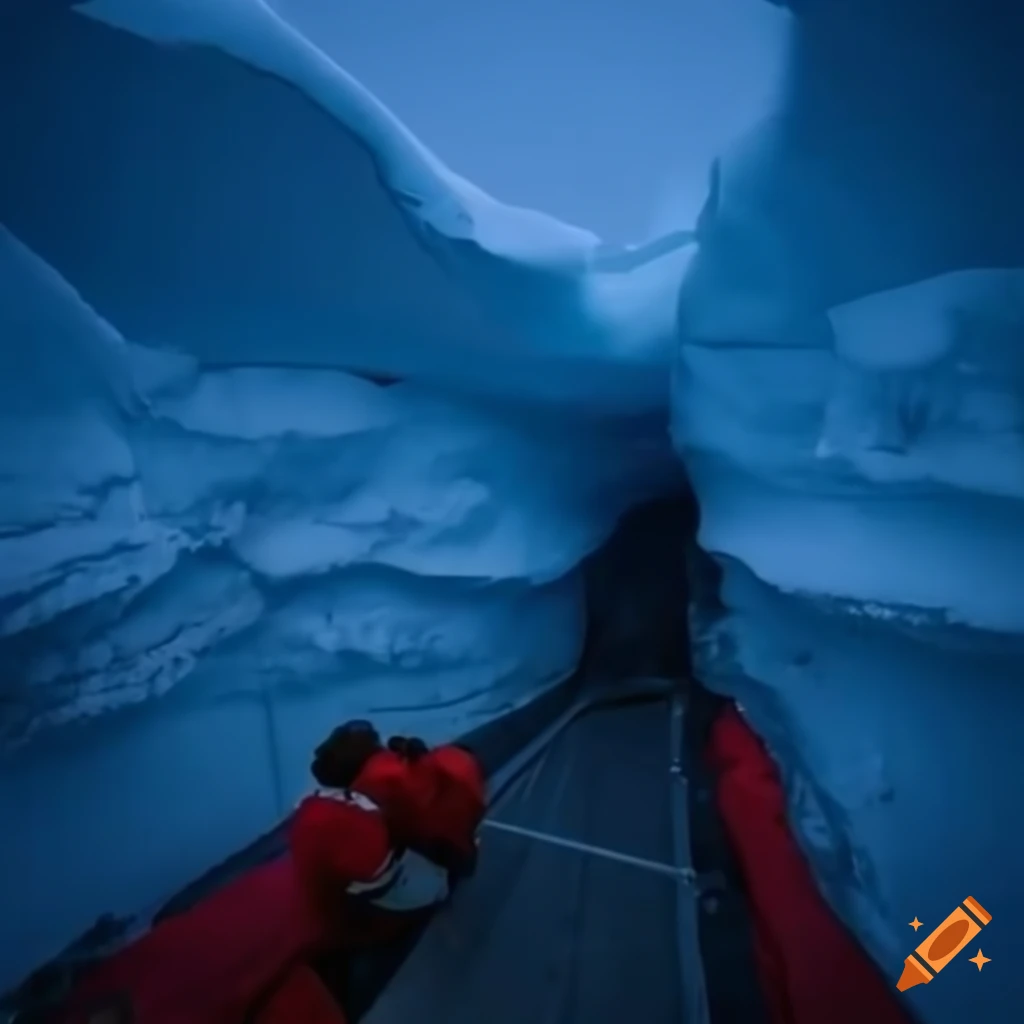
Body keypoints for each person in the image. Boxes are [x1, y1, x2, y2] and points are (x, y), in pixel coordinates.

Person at [289, 721, 450, 946]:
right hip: (358, 912)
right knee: (435, 886)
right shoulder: (354, 822)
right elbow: (381, 880)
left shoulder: (315, 808)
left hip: (336, 890)